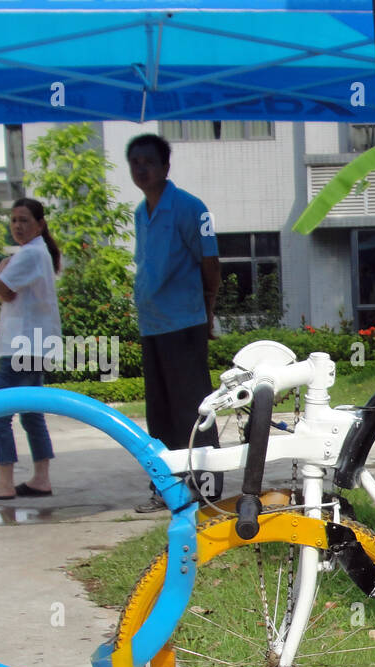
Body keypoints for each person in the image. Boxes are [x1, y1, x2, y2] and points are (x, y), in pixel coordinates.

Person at [125, 133, 222, 513]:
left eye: (149, 161)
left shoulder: (191, 208)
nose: (141, 169)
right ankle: (166, 488)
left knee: (193, 410)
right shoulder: (140, 212)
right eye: (135, 163)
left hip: (185, 323)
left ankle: (208, 488)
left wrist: (208, 310)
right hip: (153, 325)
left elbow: (210, 263)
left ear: (166, 166)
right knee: (160, 413)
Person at [0, 198, 59, 500]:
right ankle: (40, 478)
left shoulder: (29, 255)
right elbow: (7, 293)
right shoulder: (39, 253)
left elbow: (1, 289)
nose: (17, 226)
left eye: (24, 220)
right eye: (13, 220)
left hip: (20, 345)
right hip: (35, 343)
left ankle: (5, 483)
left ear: (39, 224)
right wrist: (3, 284)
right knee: (31, 413)